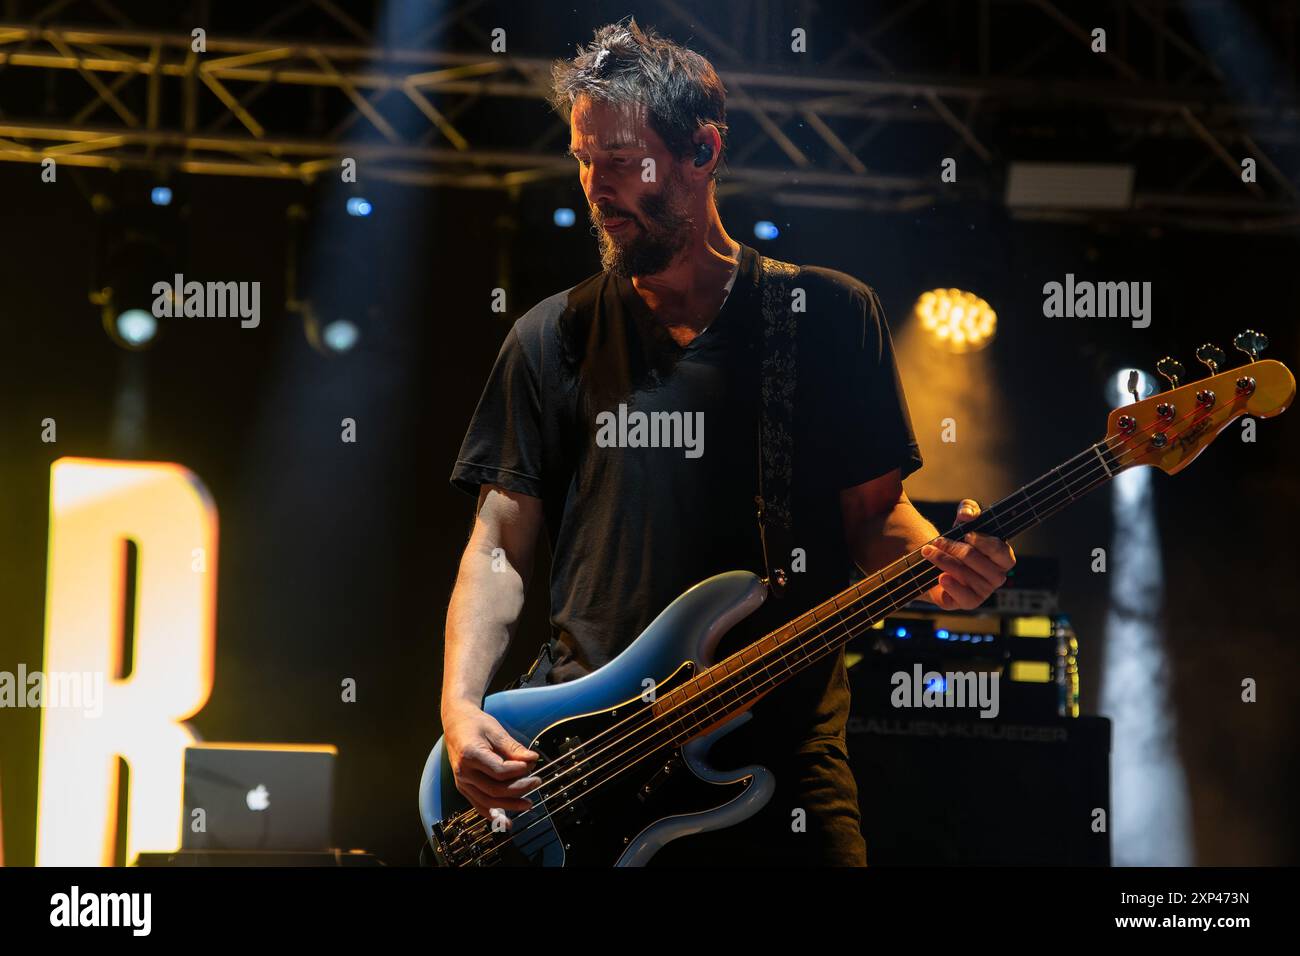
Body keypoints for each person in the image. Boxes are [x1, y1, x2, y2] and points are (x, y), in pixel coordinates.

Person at [438, 19, 1015, 866]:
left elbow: (875, 516)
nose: (595, 186)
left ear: (702, 151)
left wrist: (945, 568)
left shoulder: (827, 318)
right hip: (578, 759)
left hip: (779, 756)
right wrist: (460, 709)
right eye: (583, 157)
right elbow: (498, 544)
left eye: (622, 159)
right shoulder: (547, 336)